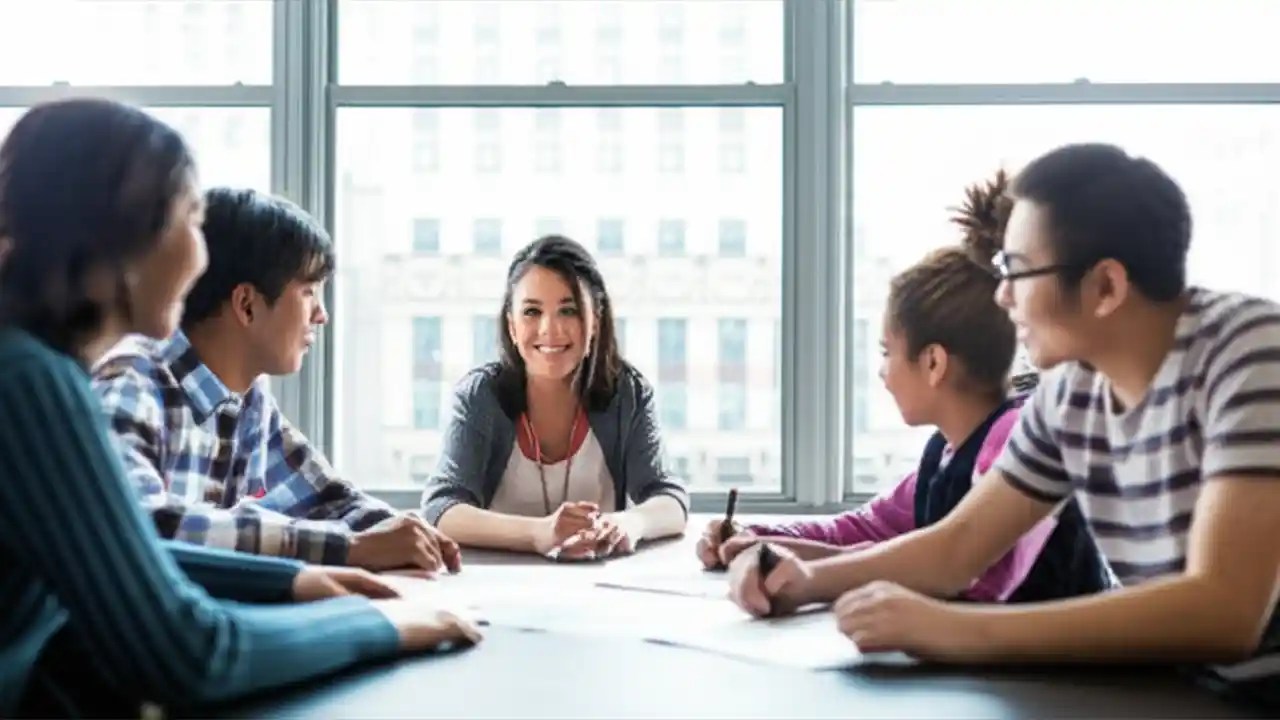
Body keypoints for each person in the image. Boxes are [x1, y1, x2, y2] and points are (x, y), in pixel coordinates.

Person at [726, 143, 1280, 708]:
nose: (1002, 295)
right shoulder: (1070, 393)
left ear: (1105, 287)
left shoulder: (1250, 354)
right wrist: (805, 580)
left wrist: (950, 630)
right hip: (1181, 694)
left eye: (1015, 271)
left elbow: (1226, 611)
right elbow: (956, 547)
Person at [0, 98, 479, 717]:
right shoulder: (35, 385)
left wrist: (290, 580)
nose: (202, 259)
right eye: (192, 220)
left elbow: (106, 552)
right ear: (120, 238)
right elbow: (190, 654)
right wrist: (385, 626)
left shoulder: (29, 368)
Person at [699, 172, 1110, 604]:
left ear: (933, 362)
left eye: (886, 352)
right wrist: (757, 538)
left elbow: (967, 576)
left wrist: (810, 571)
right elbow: (867, 530)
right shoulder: (946, 452)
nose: (881, 373)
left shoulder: (1013, 439)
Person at [92, 187, 458, 574]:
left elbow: (326, 499)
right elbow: (142, 524)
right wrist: (349, 548)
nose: (321, 315)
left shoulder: (248, 400)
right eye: (309, 292)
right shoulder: (131, 383)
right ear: (247, 305)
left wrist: (402, 532)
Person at [421, 235, 689, 560]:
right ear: (512, 326)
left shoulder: (627, 394)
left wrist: (629, 523)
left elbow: (669, 498)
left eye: (569, 310)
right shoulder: (480, 396)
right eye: (532, 311)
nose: (550, 329)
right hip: (496, 584)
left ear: (595, 322)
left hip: (599, 587)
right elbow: (442, 508)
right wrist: (539, 534)